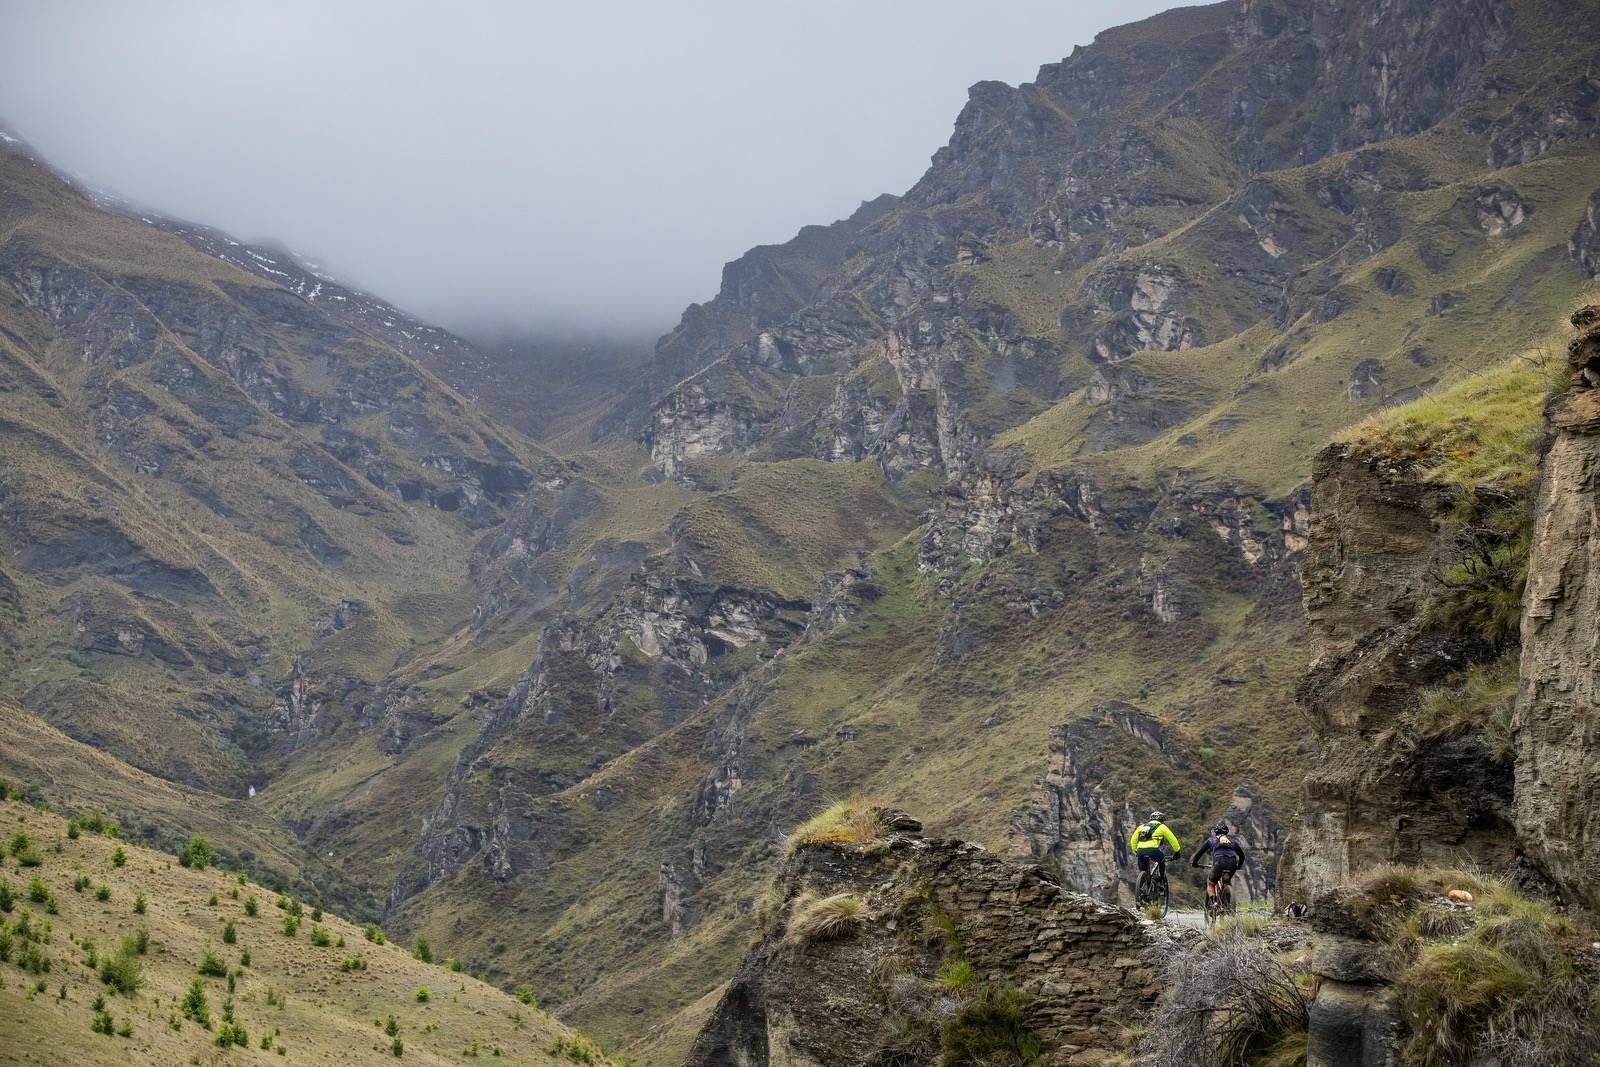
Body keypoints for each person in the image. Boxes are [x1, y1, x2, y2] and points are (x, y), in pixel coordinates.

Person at [1191, 820, 1247, 903]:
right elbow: (1242, 856)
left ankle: (1214, 903)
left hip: (1219, 862)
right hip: (1232, 863)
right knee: (1227, 881)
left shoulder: (1211, 840)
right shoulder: (1233, 842)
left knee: (1211, 884)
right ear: (1226, 832)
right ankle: (1228, 903)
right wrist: (1238, 866)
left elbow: (1199, 853)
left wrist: (1195, 863)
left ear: (1215, 832)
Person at [1128, 811, 1181, 882]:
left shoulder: (1141, 827)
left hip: (1140, 851)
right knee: (1161, 860)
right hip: (1153, 851)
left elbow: (1133, 841)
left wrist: (1136, 850)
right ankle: (1161, 878)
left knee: (1143, 872)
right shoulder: (1162, 827)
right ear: (1161, 820)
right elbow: (1172, 839)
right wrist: (1177, 851)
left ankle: (1143, 884)